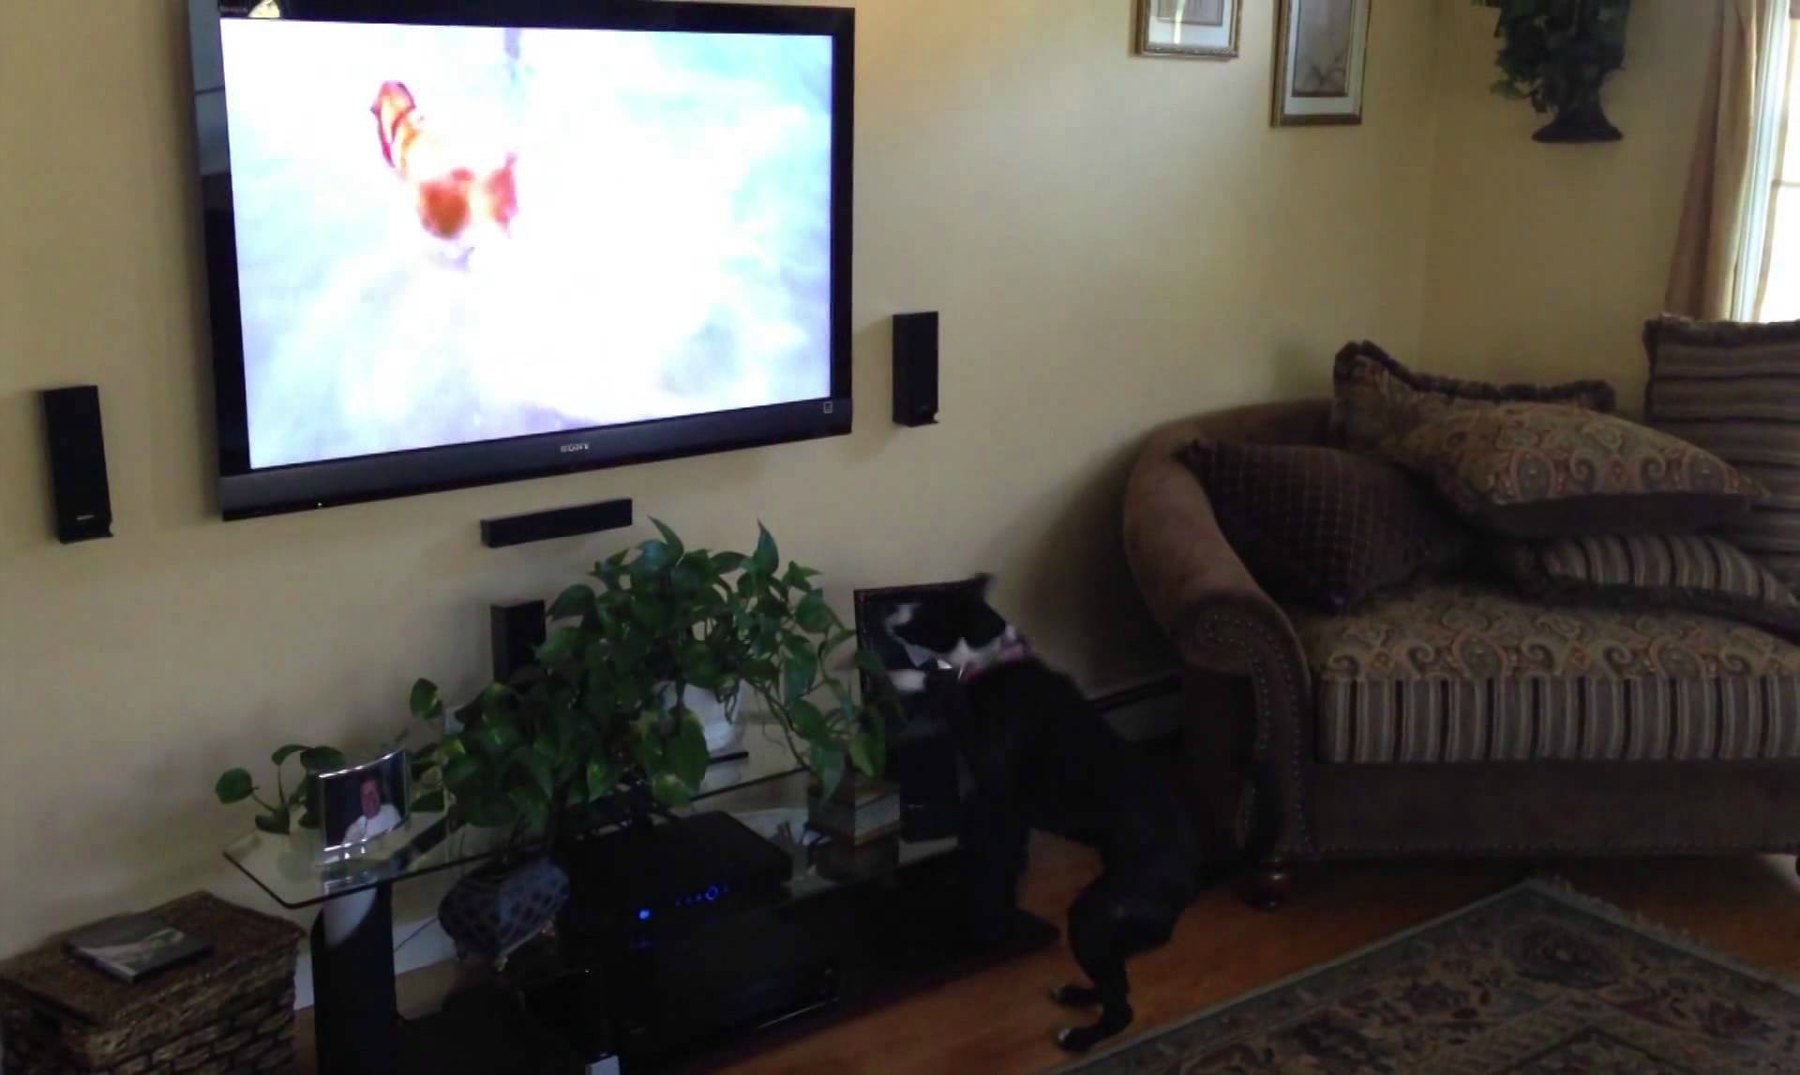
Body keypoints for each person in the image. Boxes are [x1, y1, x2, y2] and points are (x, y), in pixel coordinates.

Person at [340, 775, 401, 845]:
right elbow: (343, 854)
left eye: (371, 793)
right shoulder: (354, 831)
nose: (369, 799)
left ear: (379, 794)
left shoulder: (391, 811)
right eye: (364, 796)